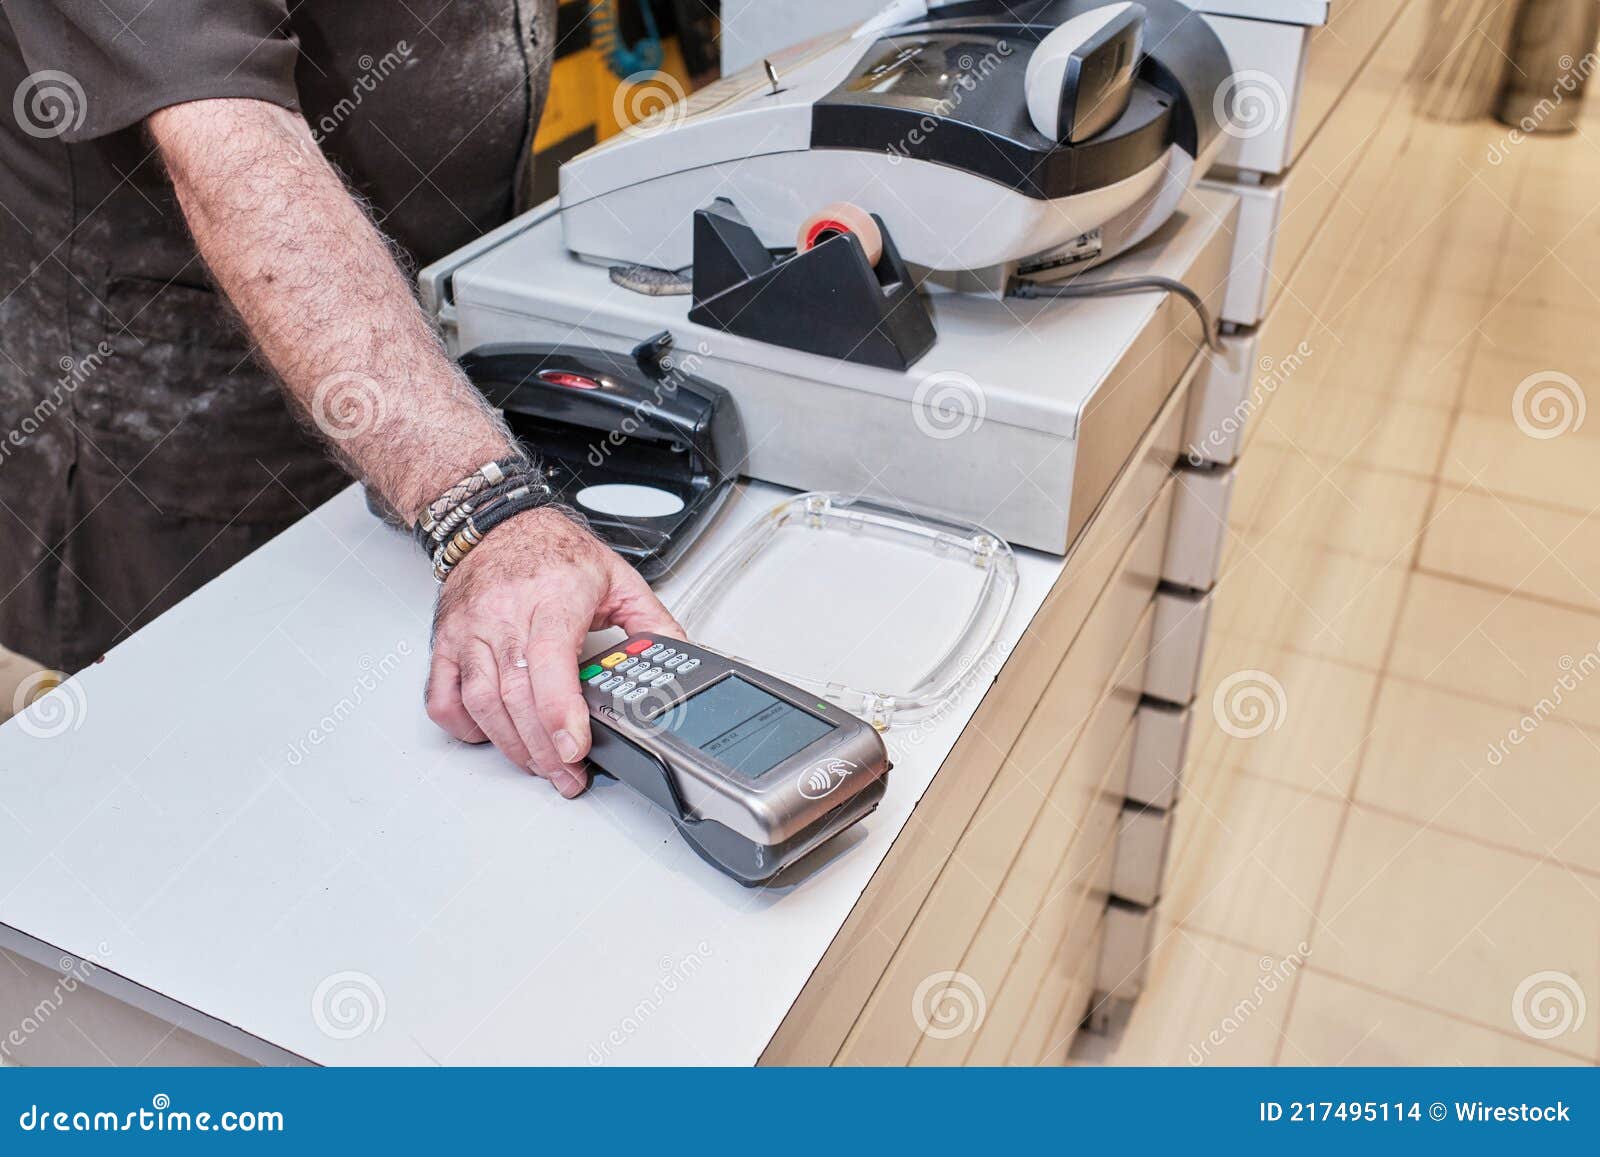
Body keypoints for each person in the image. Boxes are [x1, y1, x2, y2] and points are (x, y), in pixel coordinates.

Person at [0, 1, 680, 797]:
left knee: (410, 777)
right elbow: (229, 143)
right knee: (217, 777)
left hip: (419, 377)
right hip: (192, 415)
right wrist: (482, 511)